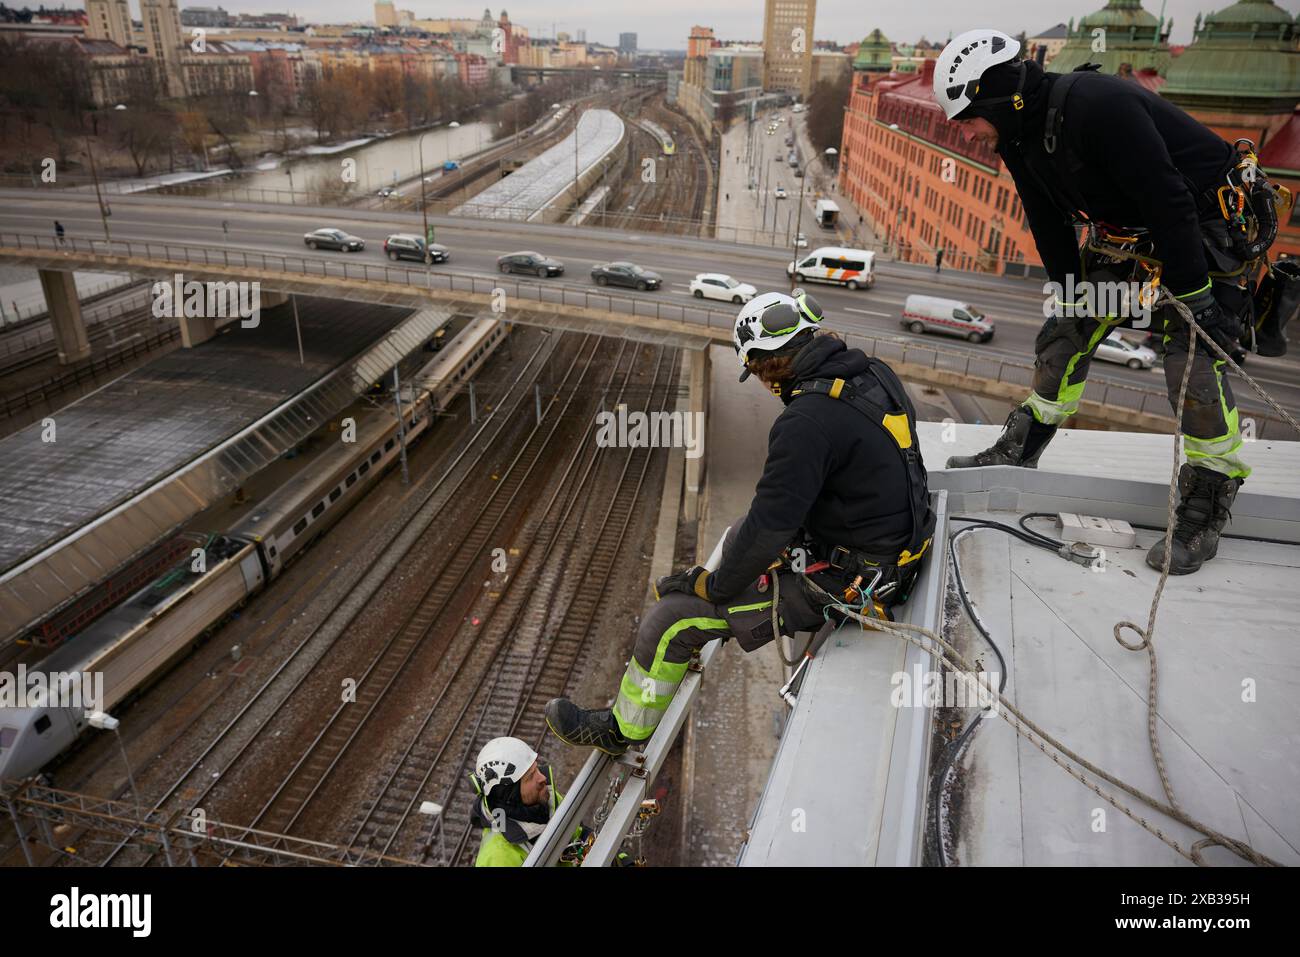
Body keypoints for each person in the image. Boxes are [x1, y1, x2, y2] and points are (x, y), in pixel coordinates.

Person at [934, 28, 1271, 574]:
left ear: (996, 96)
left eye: (969, 119)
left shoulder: (1098, 107)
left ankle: (1208, 498)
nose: (969, 134)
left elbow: (1171, 202)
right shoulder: (1019, 138)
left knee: (1191, 366)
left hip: (1204, 225)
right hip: (1139, 229)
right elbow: (1047, 223)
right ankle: (1025, 443)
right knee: (1064, 335)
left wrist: (1197, 299)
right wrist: (1072, 295)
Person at [545, 290, 935, 755]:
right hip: (893, 554)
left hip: (855, 582)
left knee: (671, 618)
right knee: (738, 537)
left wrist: (712, 587)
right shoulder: (872, 374)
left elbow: (771, 525)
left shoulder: (805, 421)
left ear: (767, 364)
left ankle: (623, 732)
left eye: (758, 372)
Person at [468, 736, 562, 867]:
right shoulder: (499, 858)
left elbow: (576, 832)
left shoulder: (545, 798)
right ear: (511, 796)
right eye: (530, 777)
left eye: (537, 769)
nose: (543, 778)